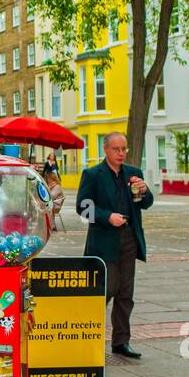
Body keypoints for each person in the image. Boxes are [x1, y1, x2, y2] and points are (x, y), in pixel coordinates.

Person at [76, 132, 154, 358]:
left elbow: (146, 203)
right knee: (106, 290)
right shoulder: (93, 175)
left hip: (129, 238)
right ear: (106, 149)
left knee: (125, 293)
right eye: (116, 149)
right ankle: (89, 337)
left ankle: (121, 342)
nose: (121, 153)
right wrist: (107, 216)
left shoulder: (133, 173)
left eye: (124, 149)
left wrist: (144, 192)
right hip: (104, 242)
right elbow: (83, 207)